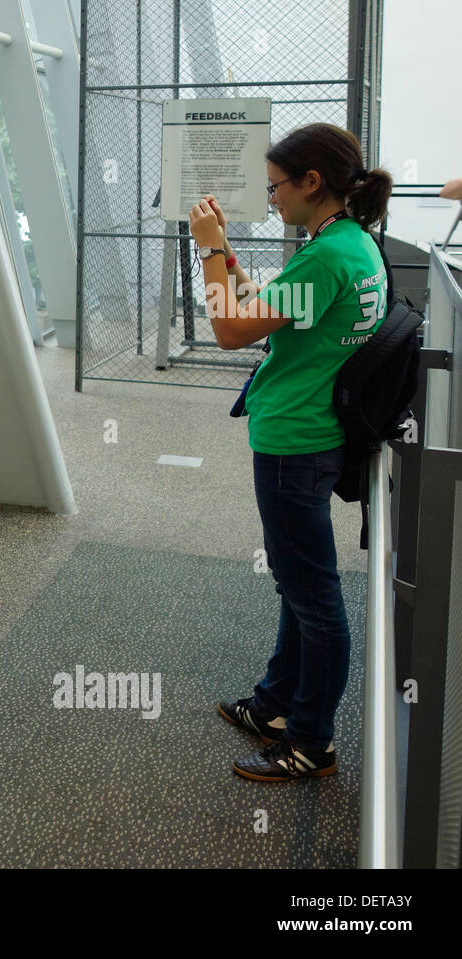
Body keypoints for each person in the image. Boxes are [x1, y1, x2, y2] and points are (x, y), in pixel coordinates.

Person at [189, 122, 393, 781]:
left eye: (277, 186)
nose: (271, 197)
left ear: (312, 183)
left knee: (313, 594)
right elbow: (274, 313)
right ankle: (278, 703)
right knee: (296, 580)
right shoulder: (351, 245)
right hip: (312, 435)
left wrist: (209, 251)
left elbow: (227, 330)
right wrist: (237, 269)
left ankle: (311, 740)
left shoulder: (328, 256)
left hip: (295, 442)